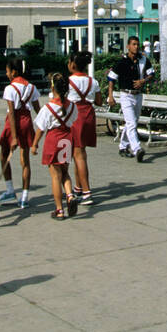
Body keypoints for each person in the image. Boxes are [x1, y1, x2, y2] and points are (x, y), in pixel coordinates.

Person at [32, 73, 78, 220]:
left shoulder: (48, 108)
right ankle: (70, 195)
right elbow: (74, 119)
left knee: (55, 176)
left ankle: (59, 209)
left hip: (54, 140)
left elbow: (40, 129)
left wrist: (34, 144)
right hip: (67, 140)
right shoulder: (72, 106)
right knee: (65, 172)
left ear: (53, 88)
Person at [0, 56, 39, 208]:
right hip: (27, 121)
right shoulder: (32, 87)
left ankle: (10, 190)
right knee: (25, 159)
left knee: (4, 154)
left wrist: (14, 137)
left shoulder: (10, 88)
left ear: (14, 72)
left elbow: (11, 113)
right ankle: (25, 196)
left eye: (8, 71)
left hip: (13, 123)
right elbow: (37, 109)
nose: (7, 74)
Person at [106, 35, 154, 162]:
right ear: (128, 46)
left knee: (132, 122)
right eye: (133, 44)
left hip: (138, 95)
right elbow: (111, 79)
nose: (136, 47)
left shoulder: (143, 60)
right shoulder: (122, 62)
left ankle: (122, 146)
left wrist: (143, 81)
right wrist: (110, 96)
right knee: (131, 123)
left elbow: (151, 74)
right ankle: (137, 148)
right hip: (126, 95)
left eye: (137, 44)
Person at [66, 50, 101, 206]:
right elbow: (99, 101)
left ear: (73, 64)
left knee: (79, 155)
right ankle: (78, 188)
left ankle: (87, 192)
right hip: (89, 115)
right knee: (79, 152)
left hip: (75, 116)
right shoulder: (93, 81)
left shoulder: (68, 81)